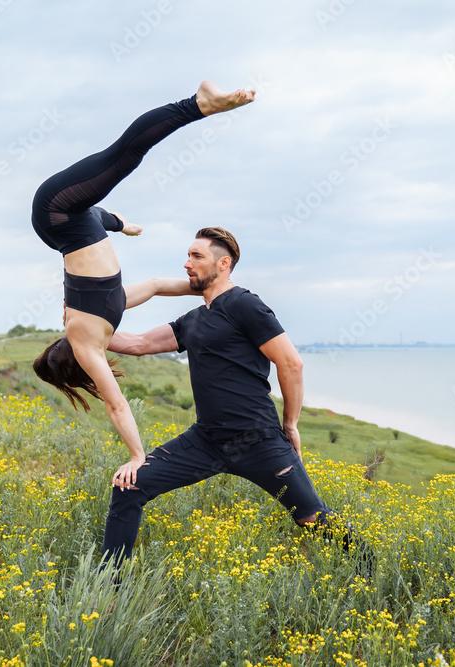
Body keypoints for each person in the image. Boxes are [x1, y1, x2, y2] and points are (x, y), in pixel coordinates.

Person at [30, 82, 256, 483]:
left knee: (125, 154)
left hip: (57, 211)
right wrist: (209, 285)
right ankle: (122, 222)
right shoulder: (100, 321)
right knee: (103, 206)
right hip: (73, 223)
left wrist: (138, 455)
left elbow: (117, 407)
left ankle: (198, 104)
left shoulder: (86, 341)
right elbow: (152, 286)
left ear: (74, 366)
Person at [101, 227, 342, 567]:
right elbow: (138, 344)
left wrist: (290, 424)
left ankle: (370, 569)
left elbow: (291, 362)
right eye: (187, 256)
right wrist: (85, 322)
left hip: (258, 440)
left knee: (311, 518)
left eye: (196, 256)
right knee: (129, 487)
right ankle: (108, 587)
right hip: (207, 441)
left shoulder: (245, 305)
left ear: (223, 263)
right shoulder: (193, 320)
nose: (187, 264)